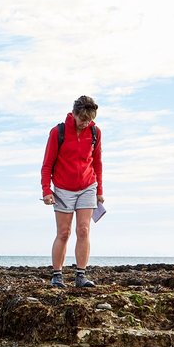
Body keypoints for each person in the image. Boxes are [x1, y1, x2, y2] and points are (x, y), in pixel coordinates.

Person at [41, 95, 104, 288]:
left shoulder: (95, 132)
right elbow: (47, 164)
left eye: (89, 119)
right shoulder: (57, 132)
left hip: (88, 186)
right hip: (62, 189)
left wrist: (99, 190)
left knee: (83, 230)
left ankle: (81, 275)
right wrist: (46, 190)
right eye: (83, 119)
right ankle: (57, 275)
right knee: (63, 232)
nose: (86, 123)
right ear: (74, 114)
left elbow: (97, 163)